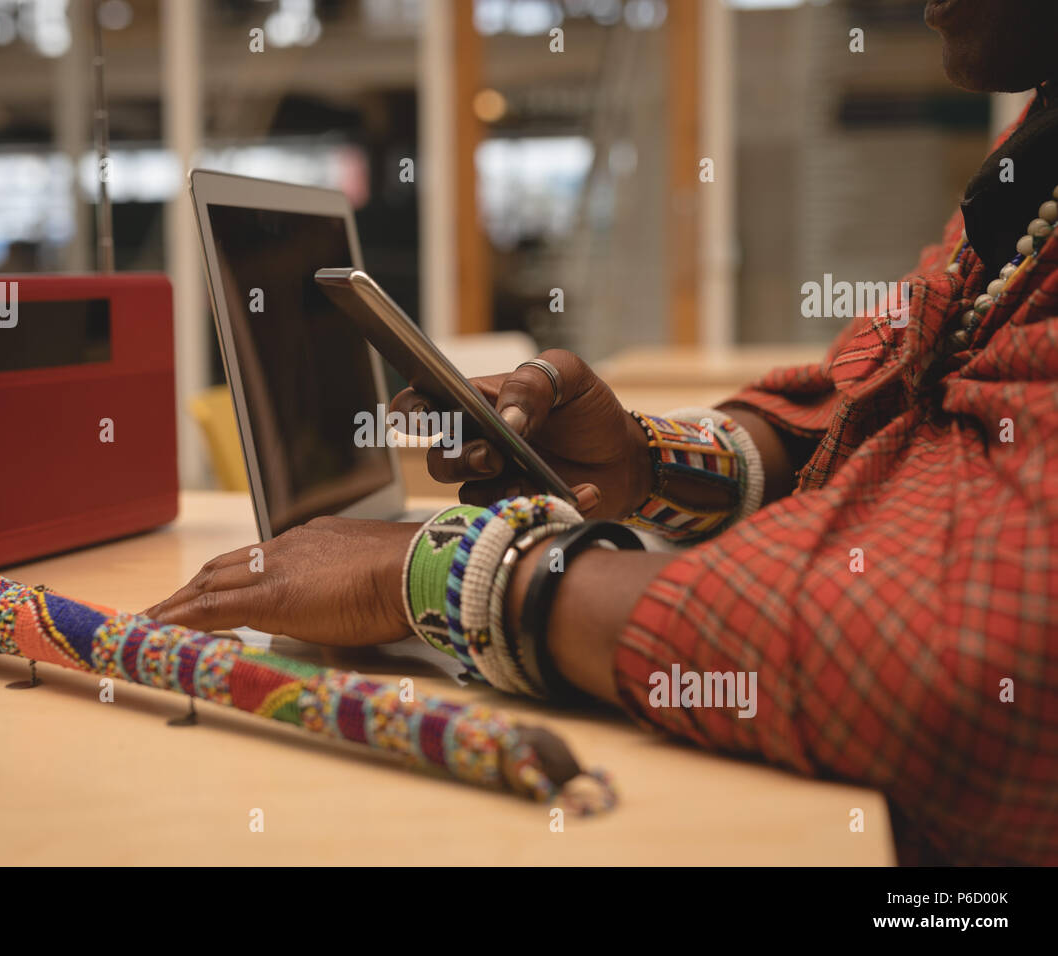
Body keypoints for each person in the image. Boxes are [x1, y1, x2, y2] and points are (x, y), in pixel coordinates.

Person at [145, 0, 1058, 866]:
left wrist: (439, 570)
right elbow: (862, 425)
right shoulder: (1032, 156)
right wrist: (640, 459)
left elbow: (964, 667)